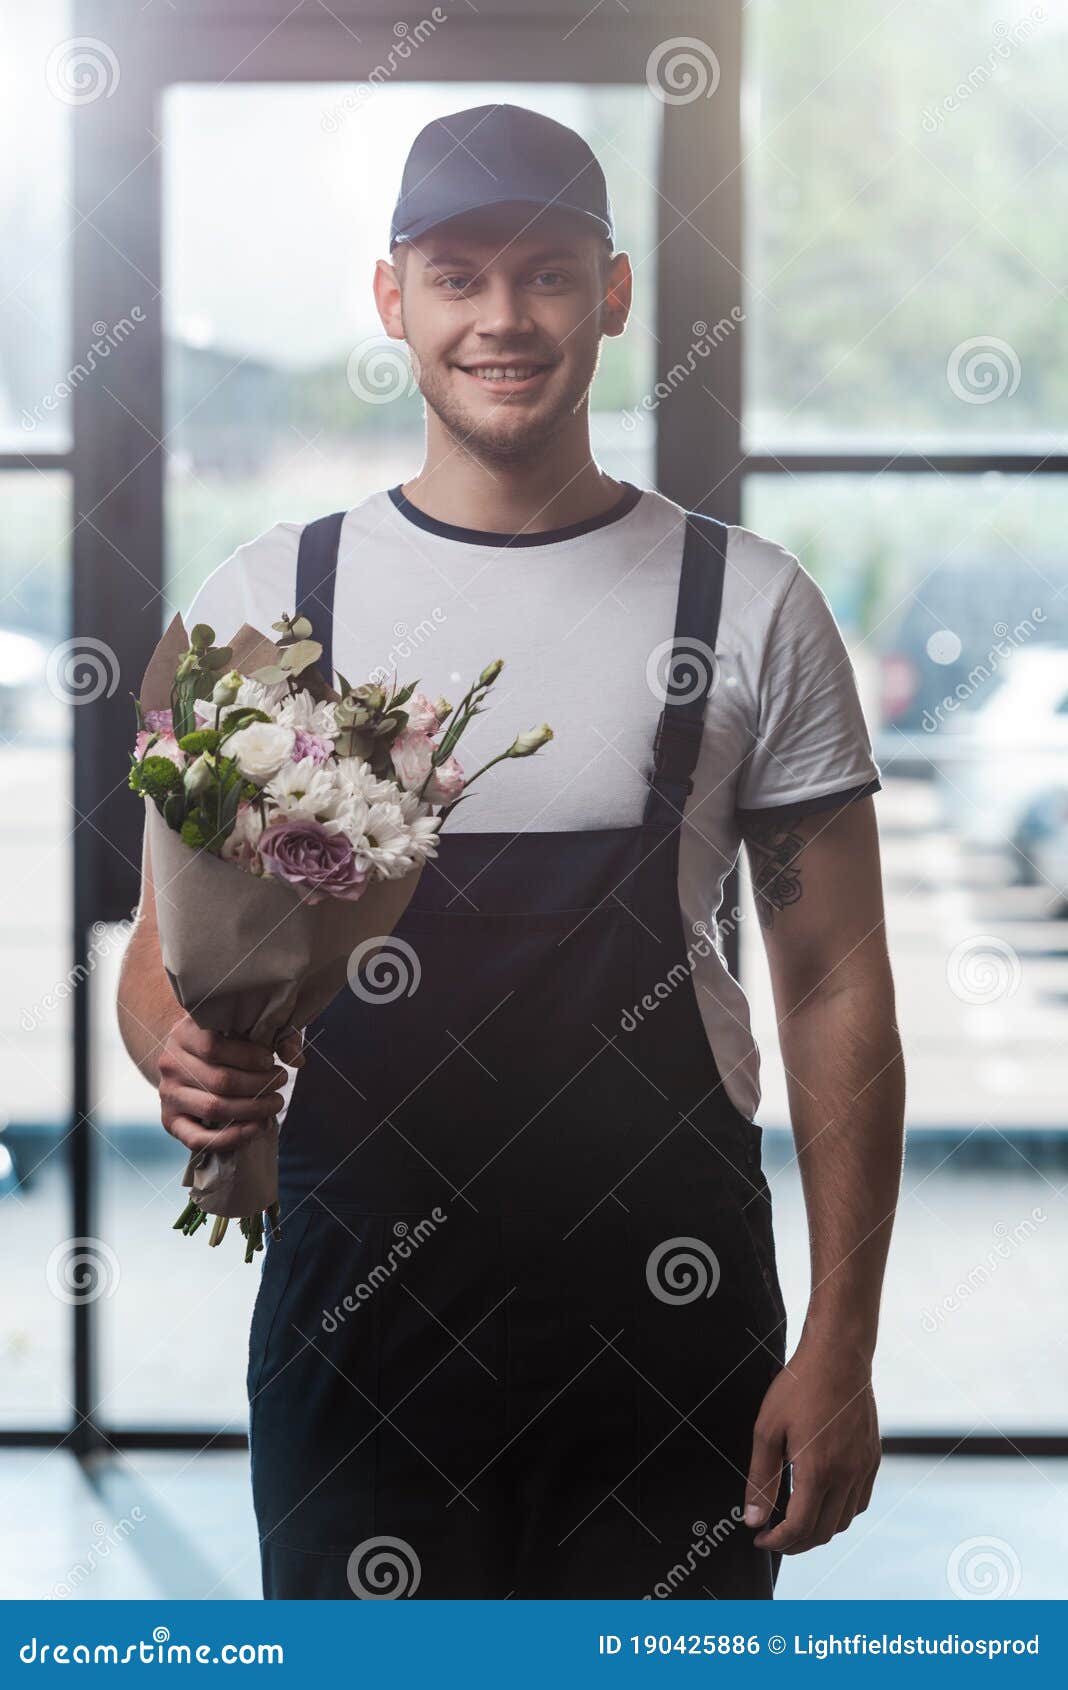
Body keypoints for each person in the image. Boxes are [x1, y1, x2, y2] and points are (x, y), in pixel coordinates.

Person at [117, 102, 904, 1600]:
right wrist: (176, 1049)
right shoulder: (277, 599)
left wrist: (844, 1341)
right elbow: (163, 959)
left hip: (675, 1333)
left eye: (547, 272)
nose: (502, 316)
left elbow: (836, 992)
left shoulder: (745, 603)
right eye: (459, 272)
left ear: (612, 295)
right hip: (362, 1335)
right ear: (391, 297)